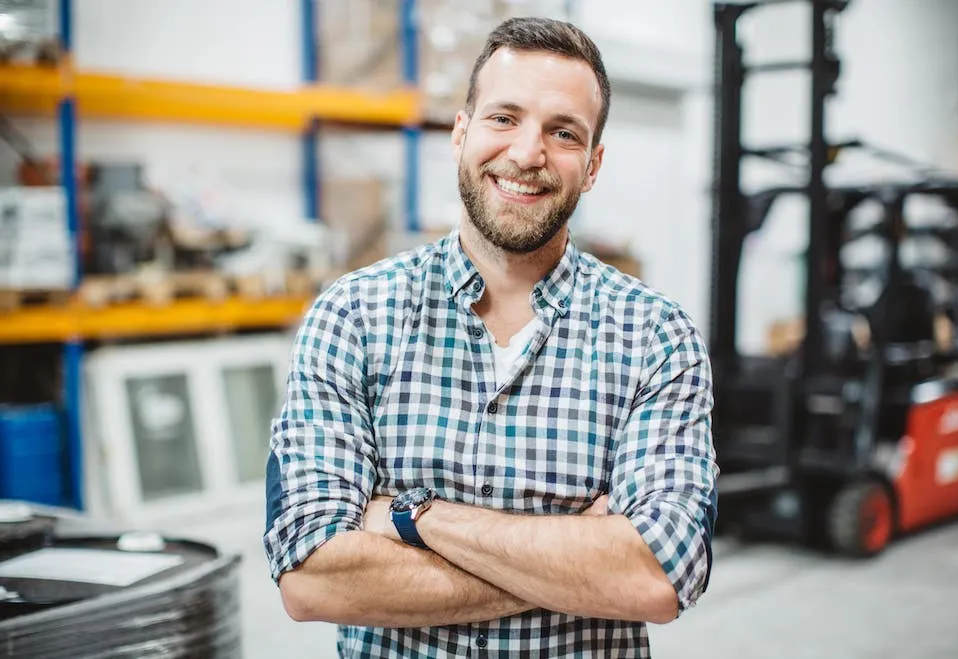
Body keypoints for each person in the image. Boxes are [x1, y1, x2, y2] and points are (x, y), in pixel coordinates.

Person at [264, 16, 719, 658]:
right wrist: (578, 562)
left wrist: (410, 517)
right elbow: (312, 578)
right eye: (504, 118)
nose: (528, 153)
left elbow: (656, 575)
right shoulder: (352, 318)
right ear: (461, 132)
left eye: (563, 133)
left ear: (592, 166)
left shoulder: (655, 337)